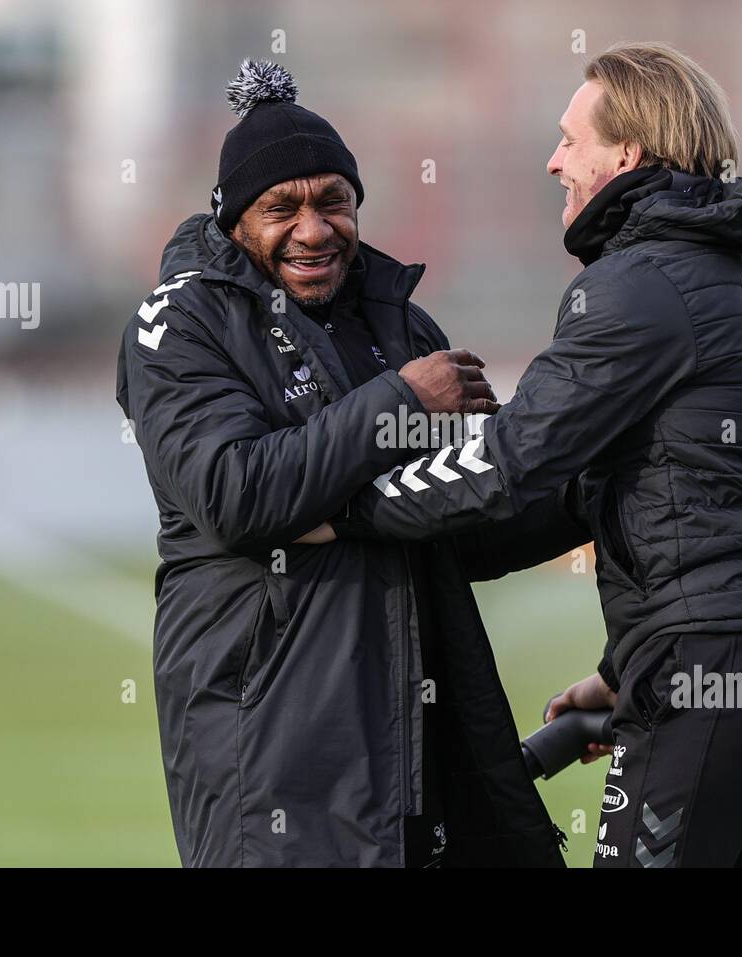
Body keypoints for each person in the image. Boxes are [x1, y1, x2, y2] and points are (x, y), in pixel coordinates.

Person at [323, 42, 742, 867]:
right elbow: (643, 497)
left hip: (708, 668)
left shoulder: (638, 284)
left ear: (626, 153)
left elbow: (511, 458)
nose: (553, 159)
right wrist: (623, 667)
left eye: (571, 139)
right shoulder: (709, 277)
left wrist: (342, 506)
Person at [115, 60, 584, 867]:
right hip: (270, 753)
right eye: (281, 208)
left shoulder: (401, 325)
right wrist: (398, 403)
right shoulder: (179, 322)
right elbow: (237, 491)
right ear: (233, 220)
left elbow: (465, 523)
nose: (314, 228)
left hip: (417, 739)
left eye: (334, 200)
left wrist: (591, 483)